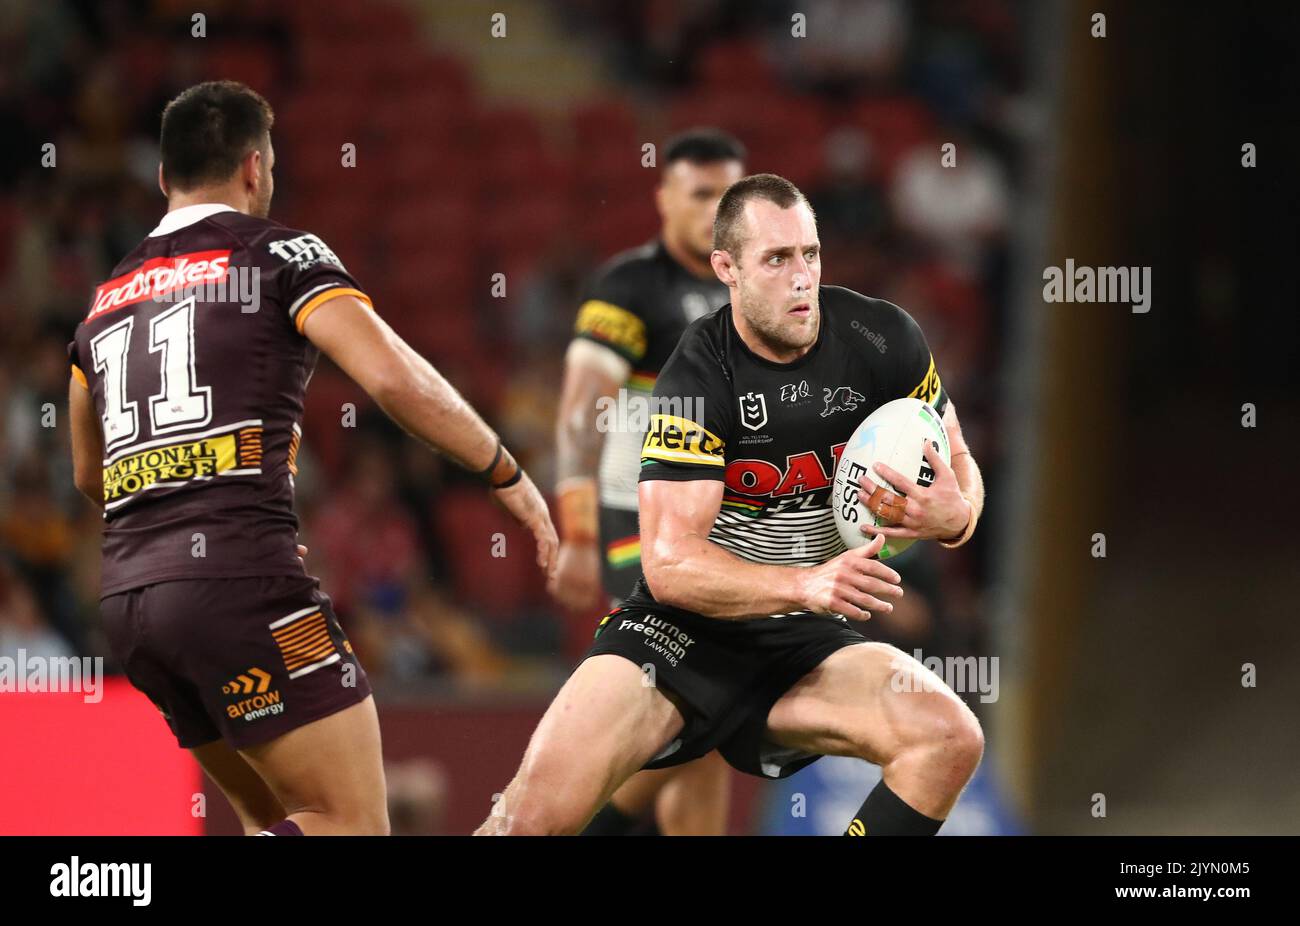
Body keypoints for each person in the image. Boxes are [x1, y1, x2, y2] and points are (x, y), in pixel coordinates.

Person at [66, 81, 557, 836]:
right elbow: (392, 376)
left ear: (163, 178)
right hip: (241, 587)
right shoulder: (280, 254)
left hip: (133, 604)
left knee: (280, 819)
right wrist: (504, 470)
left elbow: (88, 476)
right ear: (256, 167)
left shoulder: (101, 305)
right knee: (352, 824)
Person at [479, 173, 985, 836]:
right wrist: (805, 582)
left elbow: (960, 460)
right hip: (680, 634)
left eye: (810, 253)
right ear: (727, 268)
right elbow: (668, 566)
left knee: (949, 739)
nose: (801, 277)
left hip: (801, 640)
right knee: (527, 823)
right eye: (777, 259)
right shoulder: (696, 376)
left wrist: (959, 516)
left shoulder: (884, 341)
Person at [551, 129, 744, 835]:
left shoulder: (751, 290)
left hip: (721, 527)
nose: (717, 209)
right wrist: (574, 531)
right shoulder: (631, 286)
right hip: (636, 520)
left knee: (708, 726)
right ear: (664, 198)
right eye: (700, 194)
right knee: (712, 700)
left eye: (730, 195)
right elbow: (580, 414)